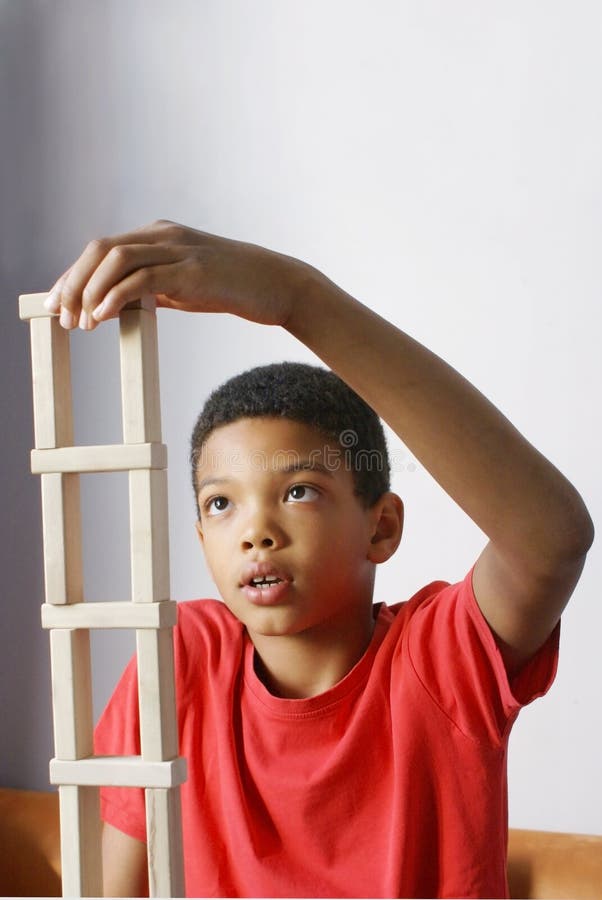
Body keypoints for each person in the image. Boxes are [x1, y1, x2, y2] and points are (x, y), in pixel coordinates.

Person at [46, 220, 594, 898]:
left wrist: (297, 298)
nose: (256, 532)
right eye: (222, 504)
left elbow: (552, 536)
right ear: (200, 537)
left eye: (299, 491)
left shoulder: (439, 662)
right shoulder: (178, 656)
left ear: (382, 526)